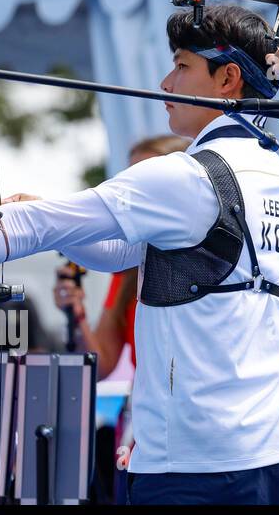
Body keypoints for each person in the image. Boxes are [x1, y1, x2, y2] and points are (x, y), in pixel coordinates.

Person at [0, 4, 279, 504]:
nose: (165, 83)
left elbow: (27, 227)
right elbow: (123, 252)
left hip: (198, 467)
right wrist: (57, 219)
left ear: (227, 79)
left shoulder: (184, 176)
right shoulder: (271, 170)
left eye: (182, 66)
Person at [55, 134, 187, 375]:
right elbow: (100, 366)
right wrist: (77, 314)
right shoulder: (127, 272)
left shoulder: (206, 259)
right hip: (148, 407)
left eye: (148, 184)